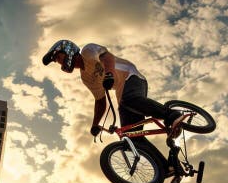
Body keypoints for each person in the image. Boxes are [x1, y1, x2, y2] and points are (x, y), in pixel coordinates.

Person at [42, 39, 188, 162]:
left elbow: (107, 58)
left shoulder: (88, 51)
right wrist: (95, 125)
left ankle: (172, 115)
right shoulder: (86, 78)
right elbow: (100, 101)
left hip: (132, 78)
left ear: (68, 50)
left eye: (59, 58)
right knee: (130, 137)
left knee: (128, 99)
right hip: (123, 97)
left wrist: (110, 73)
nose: (60, 63)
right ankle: (167, 167)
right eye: (57, 62)